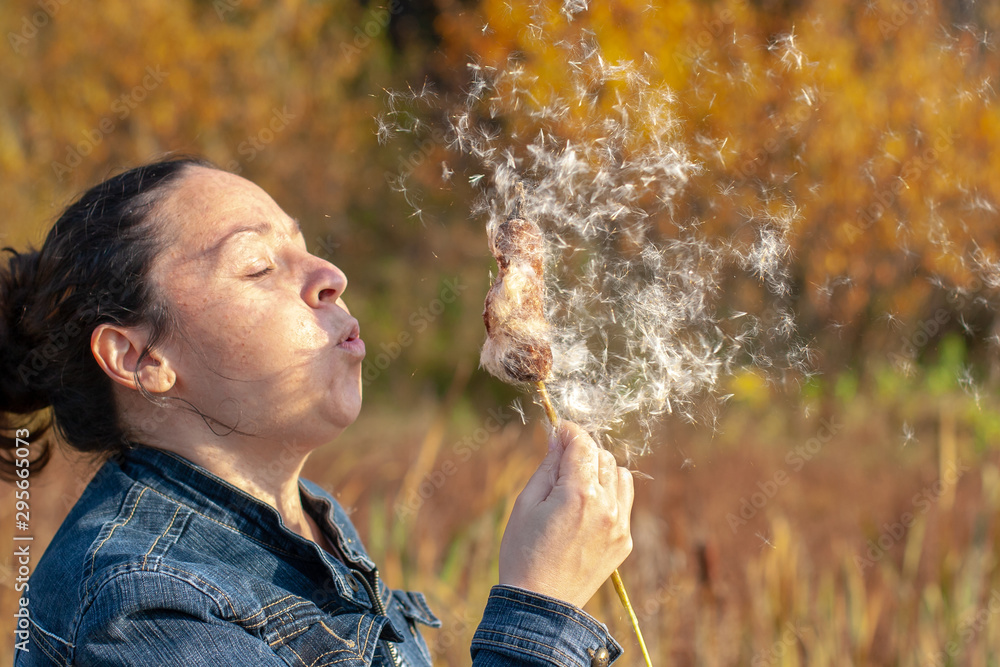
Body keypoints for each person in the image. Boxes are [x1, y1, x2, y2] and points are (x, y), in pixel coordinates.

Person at [1, 156, 634, 666]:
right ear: (139, 357)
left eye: (306, 248)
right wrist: (540, 608)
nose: (331, 275)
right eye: (256, 266)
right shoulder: (143, 608)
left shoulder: (306, 517)